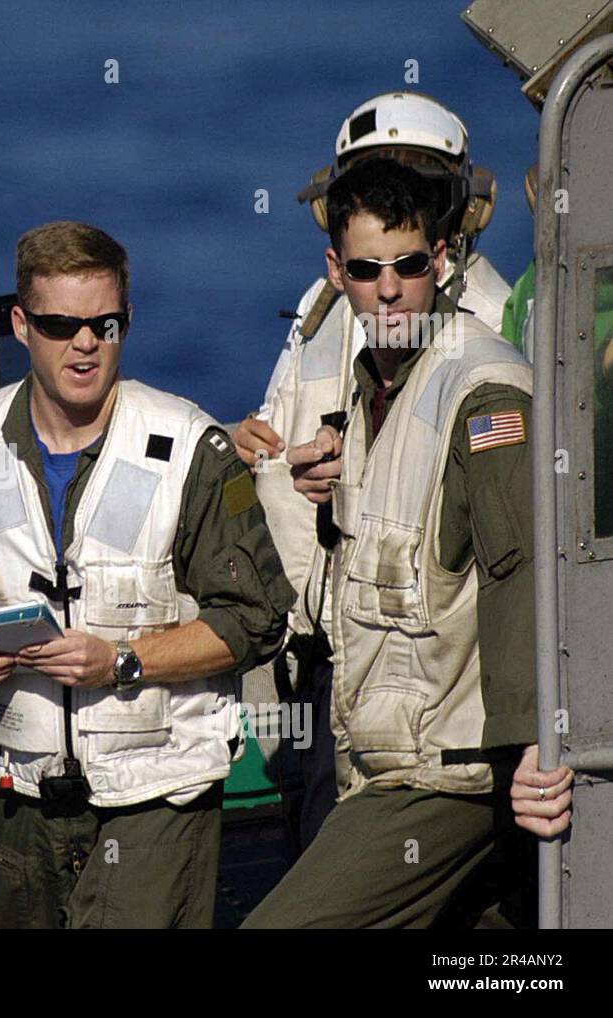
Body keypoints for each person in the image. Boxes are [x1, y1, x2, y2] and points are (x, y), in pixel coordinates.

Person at [0, 221, 295, 929]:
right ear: (21, 324)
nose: (85, 343)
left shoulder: (193, 448)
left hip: (158, 799)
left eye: (104, 324)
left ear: (126, 320)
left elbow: (256, 618)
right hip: (23, 795)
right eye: (61, 325)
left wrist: (121, 662)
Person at [242, 158, 549, 928]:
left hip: (454, 775)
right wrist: (328, 493)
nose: (388, 290)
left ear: (440, 260)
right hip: (378, 762)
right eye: (367, 269)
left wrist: (535, 748)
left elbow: (520, 578)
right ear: (335, 271)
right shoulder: (367, 386)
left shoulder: (483, 391)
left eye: (409, 266)